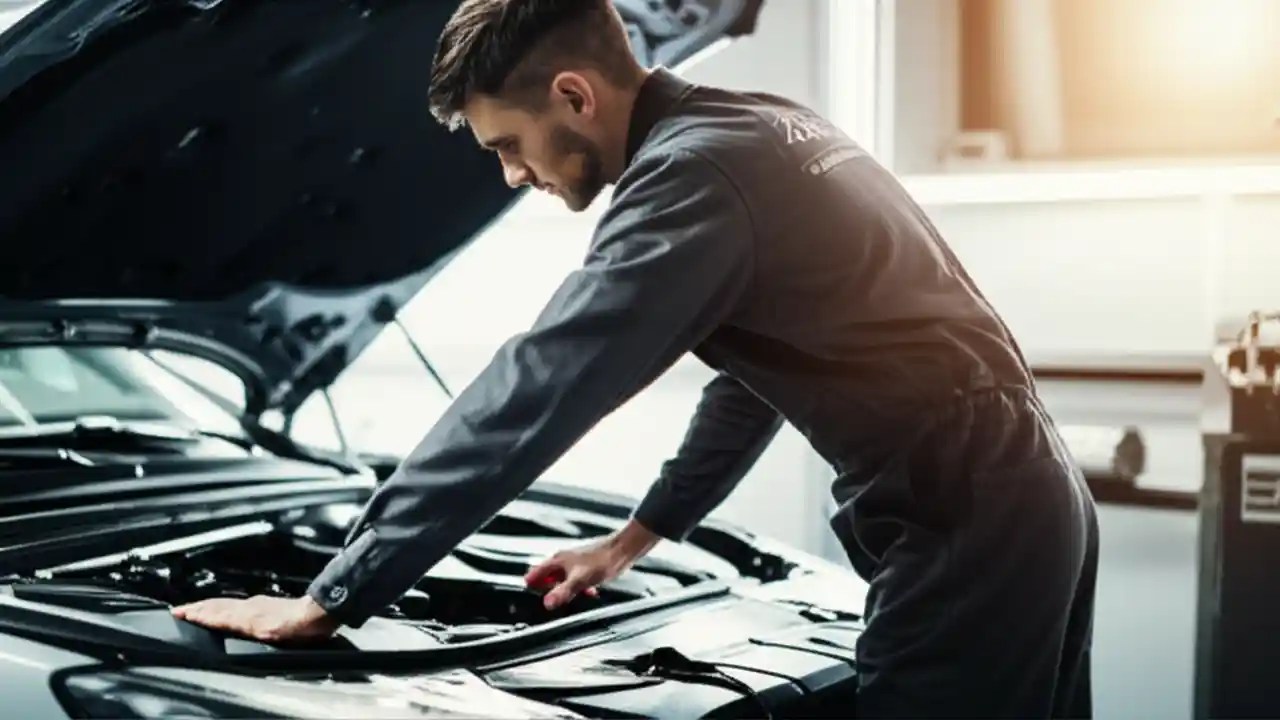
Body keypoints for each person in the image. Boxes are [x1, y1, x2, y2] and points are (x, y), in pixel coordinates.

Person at [172, 0, 1099, 716]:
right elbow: (761, 379)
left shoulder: (690, 177)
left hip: (967, 521)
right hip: (1020, 501)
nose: (512, 175)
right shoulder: (752, 127)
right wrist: (634, 540)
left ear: (574, 95)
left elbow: (541, 384)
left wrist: (336, 596)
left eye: (507, 144)